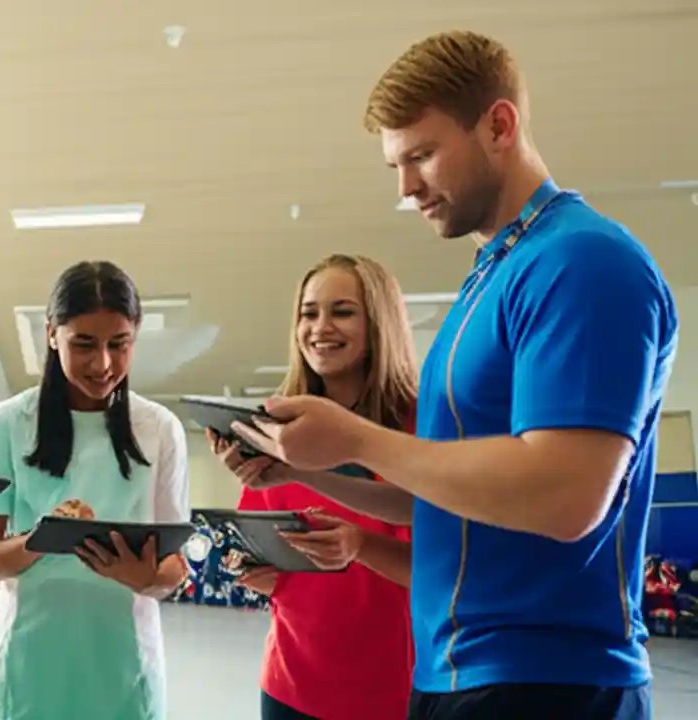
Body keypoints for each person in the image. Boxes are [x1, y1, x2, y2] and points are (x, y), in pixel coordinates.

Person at [233, 30, 677, 720]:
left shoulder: (581, 263)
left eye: (423, 155)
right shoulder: (492, 277)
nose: (408, 187)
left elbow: (566, 495)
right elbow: (445, 506)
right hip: (457, 673)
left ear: (499, 125)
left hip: (548, 679)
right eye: (395, 166)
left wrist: (357, 440)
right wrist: (300, 469)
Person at [0, 261, 190, 720]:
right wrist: (40, 540)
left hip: (125, 669)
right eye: (83, 343)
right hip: (31, 670)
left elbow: (175, 567)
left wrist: (144, 578)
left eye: (119, 345)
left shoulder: (160, 429)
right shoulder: (9, 424)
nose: (102, 363)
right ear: (51, 334)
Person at [209, 253, 416, 720]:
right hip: (291, 686)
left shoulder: (422, 425)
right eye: (309, 313)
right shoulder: (273, 430)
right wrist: (256, 573)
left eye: (342, 311)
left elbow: (445, 571)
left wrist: (358, 546)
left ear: (379, 323)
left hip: (394, 692)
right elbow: (261, 545)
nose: (320, 327)